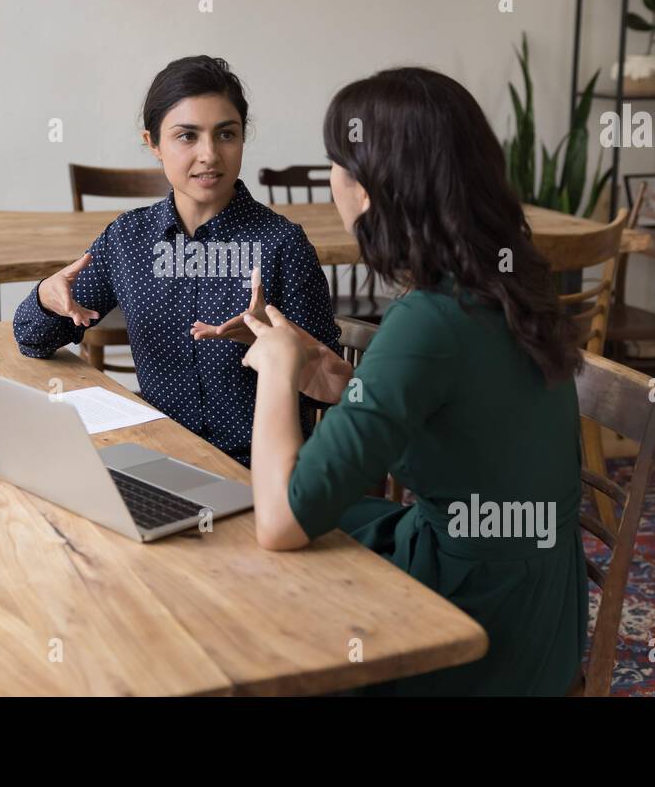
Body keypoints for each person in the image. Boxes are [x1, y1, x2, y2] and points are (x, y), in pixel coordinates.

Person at [240, 67, 587, 695]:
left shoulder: (428, 319)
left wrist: (276, 367)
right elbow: (469, 425)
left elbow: (280, 522)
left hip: (476, 631)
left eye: (336, 166)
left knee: (260, 578)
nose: (332, 182)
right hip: (543, 608)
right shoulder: (508, 285)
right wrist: (351, 384)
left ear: (371, 190)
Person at [13, 55, 351, 466]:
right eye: (187, 136)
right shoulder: (127, 240)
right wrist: (47, 299)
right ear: (153, 143)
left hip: (259, 474)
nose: (209, 154)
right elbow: (31, 339)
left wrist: (286, 351)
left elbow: (338, 391)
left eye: (226, 134)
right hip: (158, 459)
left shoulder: (283, 245)